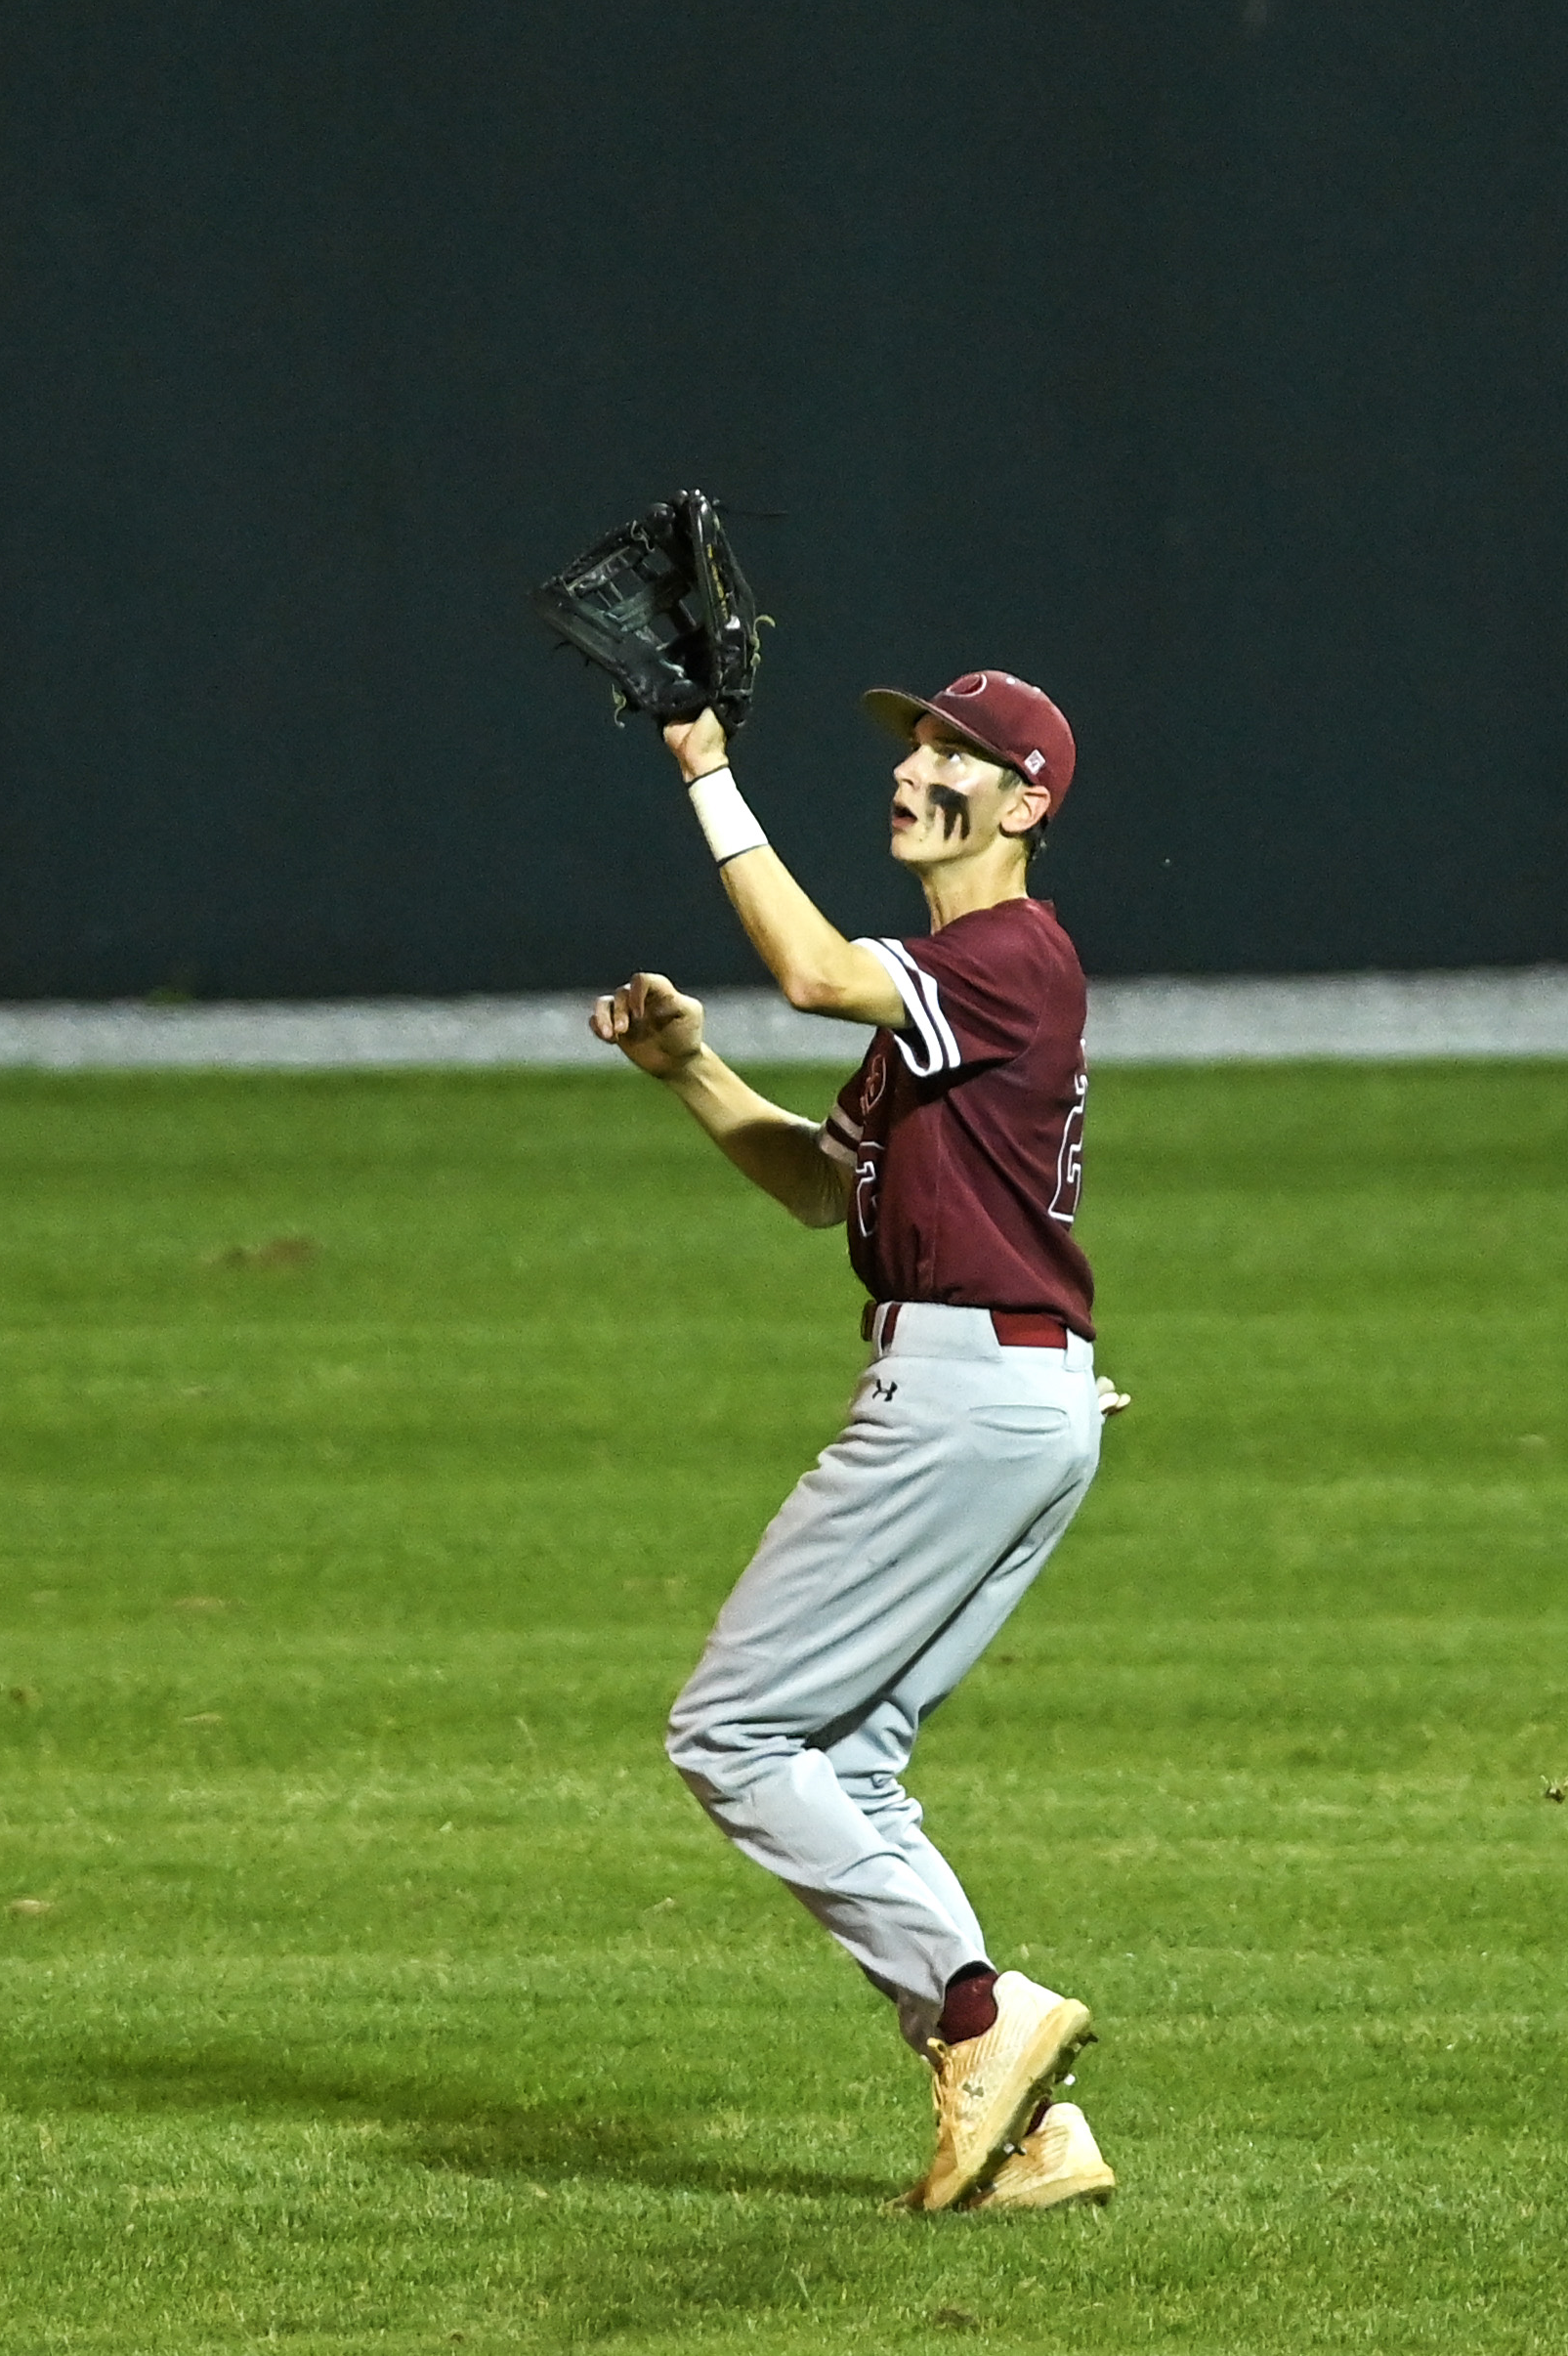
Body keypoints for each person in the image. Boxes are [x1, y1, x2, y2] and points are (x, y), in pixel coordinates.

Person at [588, 668, 1125, 2215]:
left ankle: (977, 2014)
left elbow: (815, 972)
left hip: (962, 1399)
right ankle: (1025, 2133)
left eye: (954, 753)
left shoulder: (1008, 953)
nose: (914, 767)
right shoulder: (948, 996)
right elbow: (820, 1184)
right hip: (1019, 1395)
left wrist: (703, 773)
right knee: (857, 1767)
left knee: (731, 1733)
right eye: (910, 744)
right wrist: (685, 1067)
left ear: (1022, 805)